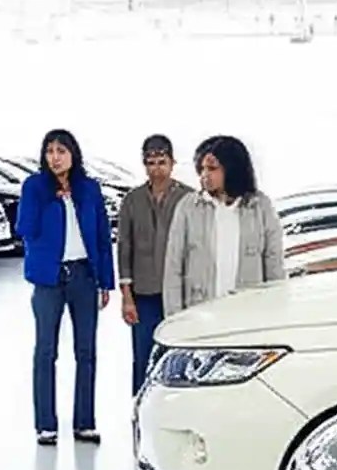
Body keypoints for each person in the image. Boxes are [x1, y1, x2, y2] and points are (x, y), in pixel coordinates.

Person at [16, 129, 116, 446]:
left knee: (86, 352)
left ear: (73, 154)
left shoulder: (89, 189)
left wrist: (106, 281)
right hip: (49, 278)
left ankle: (84, 422)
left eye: (61, 150)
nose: (55, 157)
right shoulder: (34, 187)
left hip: (84, 276)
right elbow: (25, 229)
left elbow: (102, 237)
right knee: (46, 351)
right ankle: (46, 424)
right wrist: (48, 199)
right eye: (49, 151)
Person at [163, 135, 284, 317]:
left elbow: (274, 267)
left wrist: (275, 321)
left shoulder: (260, 207)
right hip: (199, 317)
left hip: (248, 318)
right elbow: (173, 268)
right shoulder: (188, 207)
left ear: (232, 169)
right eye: (202, 169)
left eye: (212, 168)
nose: (205, 175)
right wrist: (174, 321)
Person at [116, 135, 193, 395]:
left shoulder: (189, 199)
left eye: (162, 162)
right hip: (143, 293)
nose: (156, 169)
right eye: (151, 163)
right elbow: (124, 248)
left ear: (172, 163)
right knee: (143, 357)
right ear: (143, 164)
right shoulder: (132, 200)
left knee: (178, 357)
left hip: (179, 295)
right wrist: (127, 298)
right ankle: (140, 407)